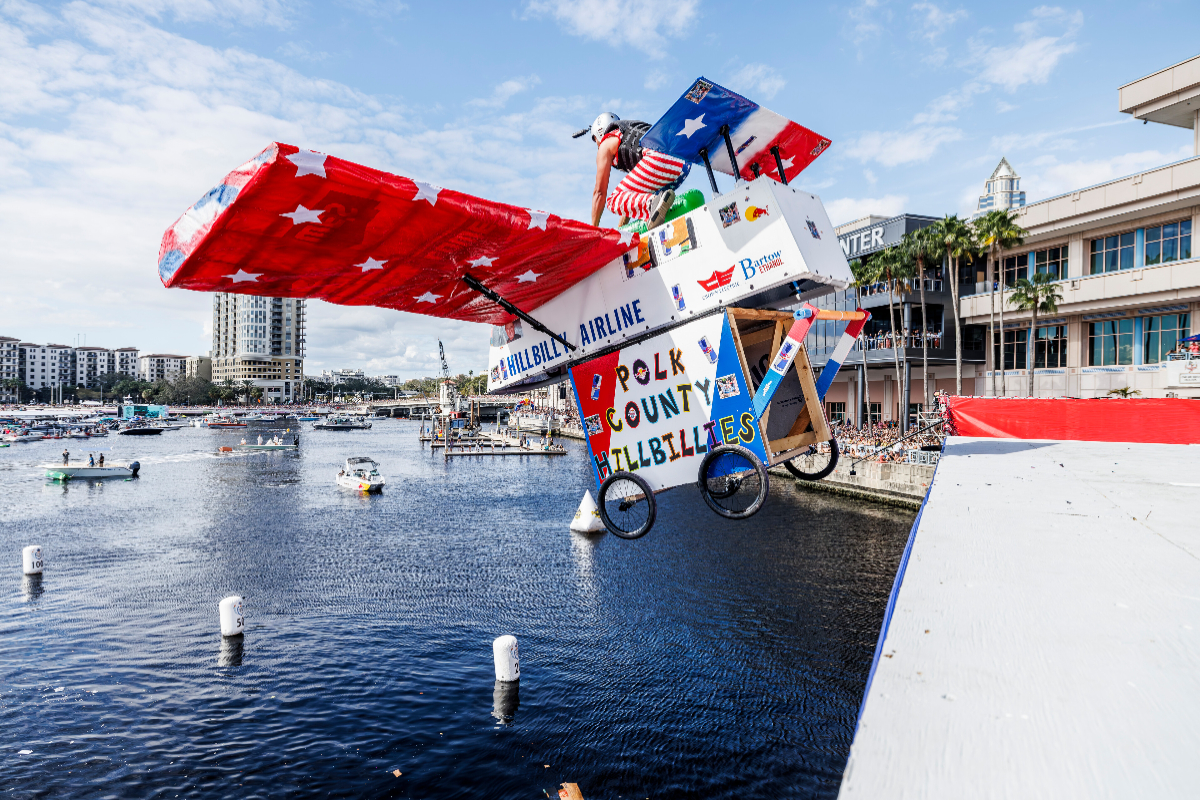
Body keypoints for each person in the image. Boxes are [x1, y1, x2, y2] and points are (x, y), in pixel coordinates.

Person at [576, 112, 688, 229]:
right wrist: (621, 228)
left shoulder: (606, 143)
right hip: (681, 163)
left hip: (657, 158)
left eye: (595, 140)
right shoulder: (628, 133)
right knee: (646, 200)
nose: (598, 145)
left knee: (613, 201)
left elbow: (599, 193)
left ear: (599, 133)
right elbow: (632, 196)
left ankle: (653, 204)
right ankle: (659, 208)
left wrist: (593, 230)